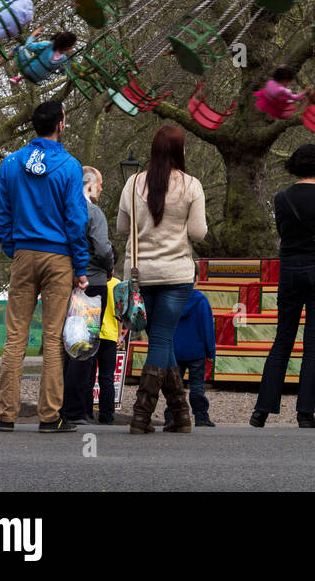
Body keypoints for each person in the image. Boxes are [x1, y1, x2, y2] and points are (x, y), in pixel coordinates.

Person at [0, 101, 89, 433]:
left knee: (15, 335)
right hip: (59, 257)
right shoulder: (70, 166)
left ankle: (7, 414)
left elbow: (0, 215)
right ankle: (49, 416)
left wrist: (13, 247)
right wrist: (81, 264)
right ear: (60, 125)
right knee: (51, 338)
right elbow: (76, 220)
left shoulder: (12, 163)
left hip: (24, 253)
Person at [117, 124, 208, 434]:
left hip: (141, 275)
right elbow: (198, 232)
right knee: (161, 339)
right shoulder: (191, 185)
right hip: (176, 272)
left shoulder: (132, 183)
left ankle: (180, 414)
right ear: (179, 151)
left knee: (160, 339)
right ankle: (141, 414)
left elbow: (120, 227)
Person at [251, 143, 315, 429]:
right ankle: (305, 412)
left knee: (283, 339)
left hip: (289, 270)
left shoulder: (281, 198)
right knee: (312, 342)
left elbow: (282, 232)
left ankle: (262, 410)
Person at [60, 166, 116, 423]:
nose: (101, 189)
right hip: (92, 283)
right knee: (84, 348)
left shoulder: (61, 210)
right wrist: (109, 267)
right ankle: (77, 410)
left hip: (64, 282)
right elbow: (103, 250)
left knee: (67, 346)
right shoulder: (94, 213)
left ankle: (67, 406)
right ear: (90, 184)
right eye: (100, 184)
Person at [164, 288, 216, 428]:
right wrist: (211, 351)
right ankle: (201, 417)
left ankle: (171, 416)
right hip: (197, 351)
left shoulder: (172, 297)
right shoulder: (201, 300)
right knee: (197, 386)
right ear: (197, 278)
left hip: (175, 349)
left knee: (175, 386)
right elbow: (208, 326)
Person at [96, 271, 123, 424]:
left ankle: (85, 413)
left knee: (87, 376)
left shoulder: (92, 280)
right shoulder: (117, 284)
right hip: (111, 336)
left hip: (92, 333)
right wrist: (119, 335)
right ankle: (106, 416)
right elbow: (120, 313)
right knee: (107, 378)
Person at [12, 30, 78, 85]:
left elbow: (28, 46)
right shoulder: (64, 59)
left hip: (28, 69)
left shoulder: (48, 45)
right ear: (68, 47)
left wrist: (33, 34)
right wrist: (70, 59)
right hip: (38, 78)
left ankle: (1, 61)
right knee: (38, 66)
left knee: (19, 48)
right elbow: (64, 73)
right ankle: (18, 78)